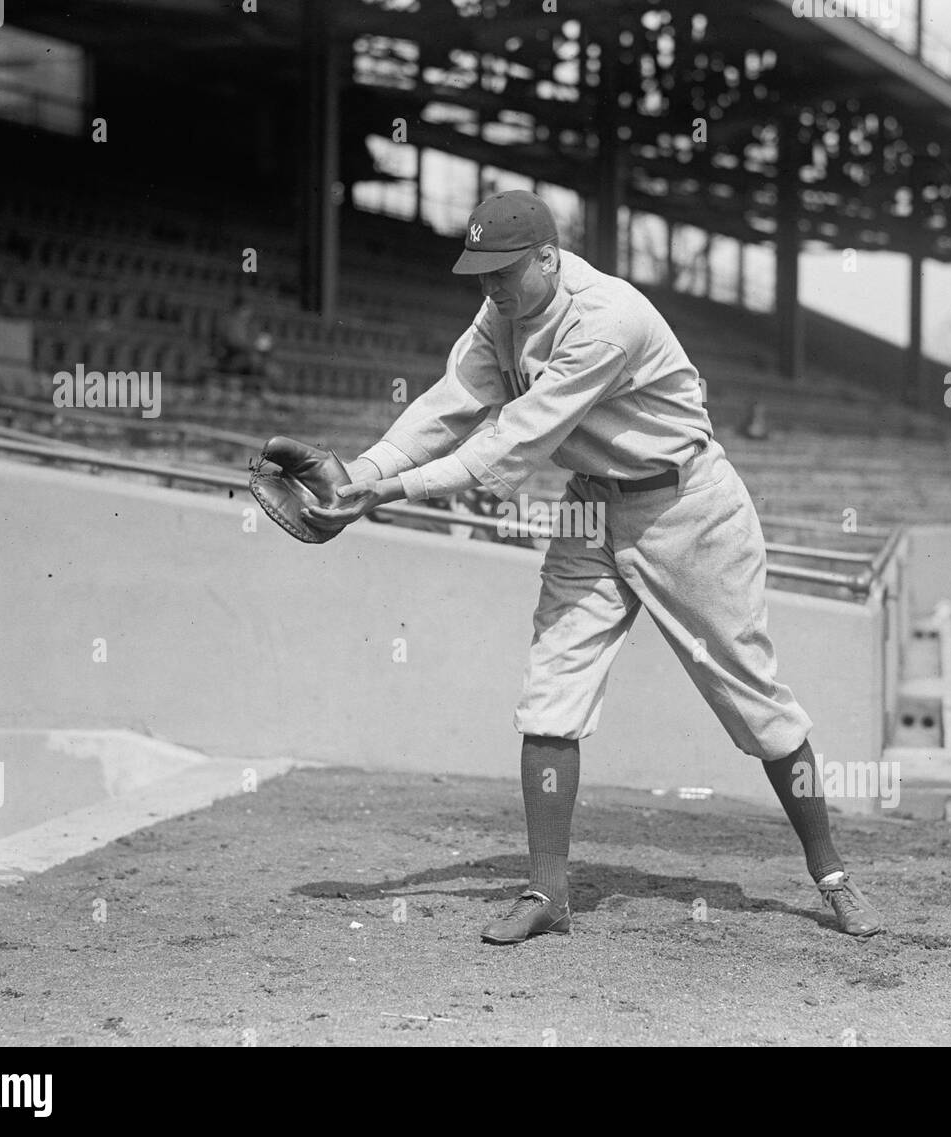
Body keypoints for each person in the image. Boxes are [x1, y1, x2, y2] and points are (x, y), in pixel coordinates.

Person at [303, 190, 883, 944]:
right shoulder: (501, 312)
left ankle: (833, 874)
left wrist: (388, 490)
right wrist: (360, 470)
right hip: (591, 507)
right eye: (481, 273)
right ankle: (547, 889)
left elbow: (512, 438)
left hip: (688, 508)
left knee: (757, 704)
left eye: (506, 271)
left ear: (549, 257)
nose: (493, 287)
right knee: (551, 689)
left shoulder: (607, 318)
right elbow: (452, 401)